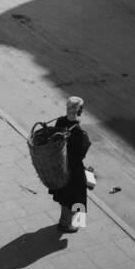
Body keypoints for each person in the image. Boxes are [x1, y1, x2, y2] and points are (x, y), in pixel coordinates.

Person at [48, 97, 91, 233]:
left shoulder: (61, 121)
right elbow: (81, 153)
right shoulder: (77, 131)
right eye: (81, 108)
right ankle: (66, 224)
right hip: (73, 170)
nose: (82, 110)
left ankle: (65, 220)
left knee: (65, 196)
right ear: (78, 110)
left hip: (61, 165)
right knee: (75, 197)